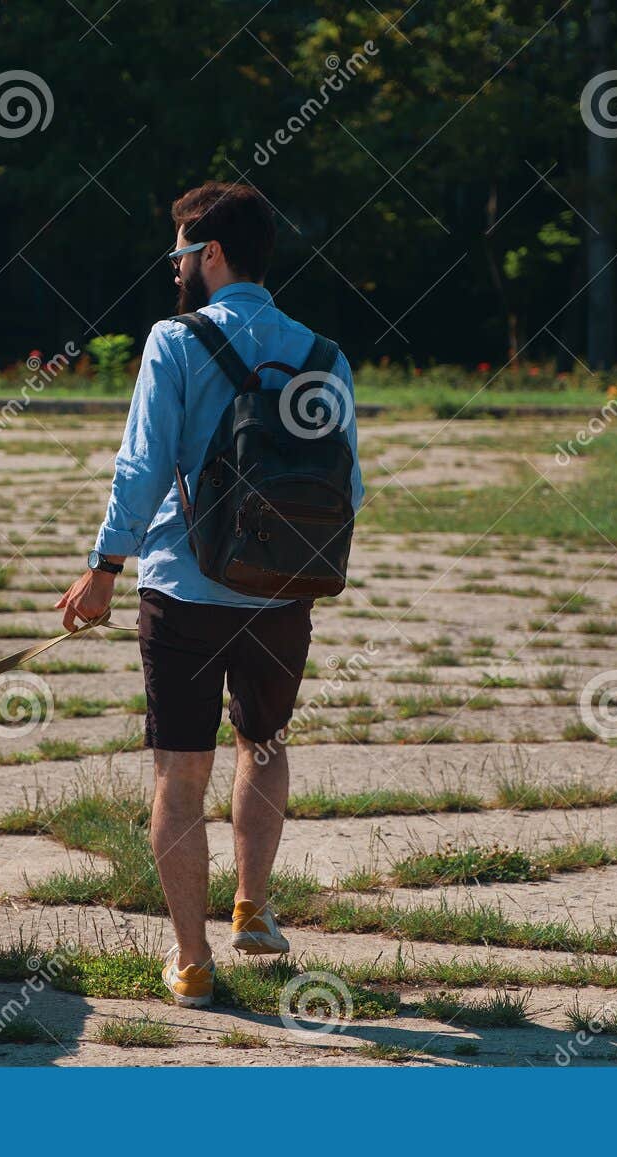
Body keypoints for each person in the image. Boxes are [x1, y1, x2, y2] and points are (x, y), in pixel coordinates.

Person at [56, 181, 365, 1007]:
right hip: (282, 595)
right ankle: (253, 910)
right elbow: (352, 486)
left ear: (213, 254)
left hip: (183, 590)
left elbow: (143, 464)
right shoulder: (323, 353)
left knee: (178, 774)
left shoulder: (174, 341)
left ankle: (192, 962)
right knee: (262, 744)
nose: (175, 269)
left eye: (181, 253)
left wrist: (104, 568)